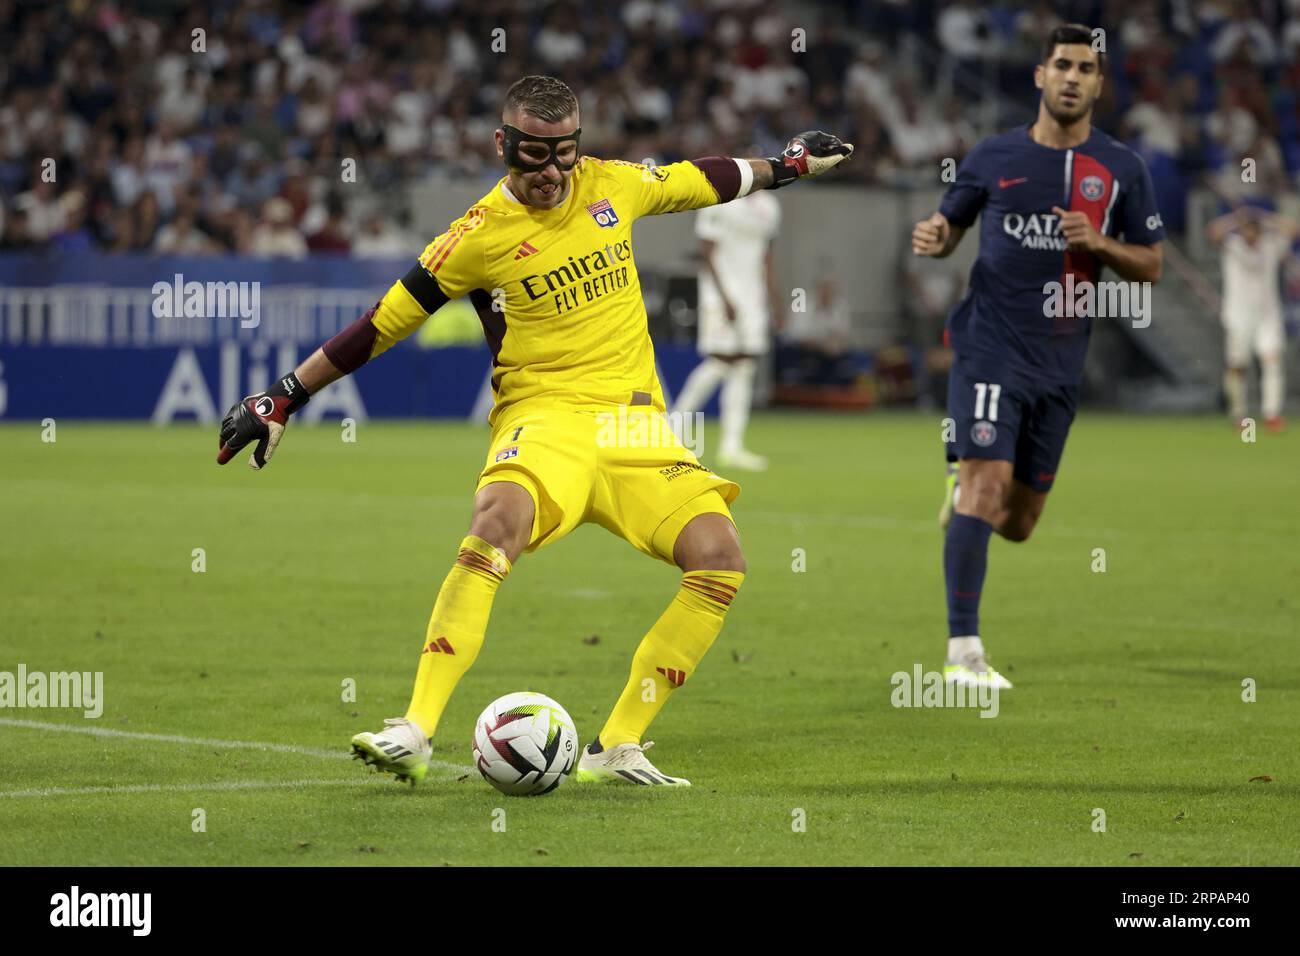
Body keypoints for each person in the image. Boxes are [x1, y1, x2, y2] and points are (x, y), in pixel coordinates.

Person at [215, 75, 852, 785]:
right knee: (495, 522)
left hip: (637, 429)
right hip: (544, 419)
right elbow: (381, 324)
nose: (550, 172)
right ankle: (417, 729)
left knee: (720, 557)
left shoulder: (613, 184)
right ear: (501, 145)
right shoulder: (476, 237)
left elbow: (705, 178)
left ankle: (616, 748)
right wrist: (284, 395)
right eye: (532, 155)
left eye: (564, 153)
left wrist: (788, 166)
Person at [911, 25, 1164, 689]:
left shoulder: (1121, 169)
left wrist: (1103, 246)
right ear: (1040, 75)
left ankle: (959, 479)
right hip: (990, 347)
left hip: (1059, 365)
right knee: (984, 488)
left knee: (1017, 522)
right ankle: (963, 653)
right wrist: (935, 238)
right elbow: (948, 229)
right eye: (1062, 65)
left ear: (1099, 83)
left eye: (1086, 68)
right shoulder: (993, 156)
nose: (1073, 77)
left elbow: (1153, 265)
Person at [672, 178, 781, 470]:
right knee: (720, 360)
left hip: (753, 296)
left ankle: (732, 447)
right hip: (720, 294)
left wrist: (774, 297)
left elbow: (767, 254)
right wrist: (724, 297)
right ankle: (674, 427)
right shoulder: (720, 199)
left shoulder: (770, 206)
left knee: (744, 366)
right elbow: (706, 250)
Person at [1207, 206, 1295, 431]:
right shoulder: (1233, 245)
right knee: (1238, 365)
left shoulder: (1270, 246)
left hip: (1267, 314)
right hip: (1238, 315)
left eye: (1254, 231)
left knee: (1272, 361)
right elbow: (1214, 232)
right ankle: (1239, 415)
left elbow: (1293, 229)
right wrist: (1236, 218)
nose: (1251, 236)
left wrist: (1264, 217)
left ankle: (1272, 414)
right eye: (1247, 230)